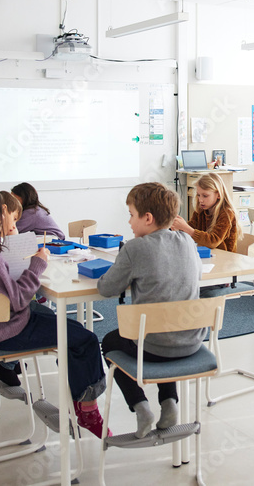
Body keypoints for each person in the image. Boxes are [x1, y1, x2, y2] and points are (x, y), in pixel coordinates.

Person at [0, 185, 108, 437]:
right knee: (85, 339)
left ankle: (12, 371)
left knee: (65, 327)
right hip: (8, 329)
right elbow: (19, 299)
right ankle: (87, 409)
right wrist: (37, 265)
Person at [98, 183, 205, 439]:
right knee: (165, 326)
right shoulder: (188, 241)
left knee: (111, 341)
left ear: (147, 218)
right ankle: (169, 402)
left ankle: (140, 405)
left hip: (153, 348)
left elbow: (106, 288)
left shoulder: (134, 248)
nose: (129, 221)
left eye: (132, 215)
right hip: (191, 342)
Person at [171, 172, 238, 252]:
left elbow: (213, 241)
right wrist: (177, 227)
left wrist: (186, 228)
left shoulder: (227, 213)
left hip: (225, 259)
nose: (200, 200)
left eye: (205, 196)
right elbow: (190, 228)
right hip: (208, 257)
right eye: (198, 195)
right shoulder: (200, 211)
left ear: (219, 195)